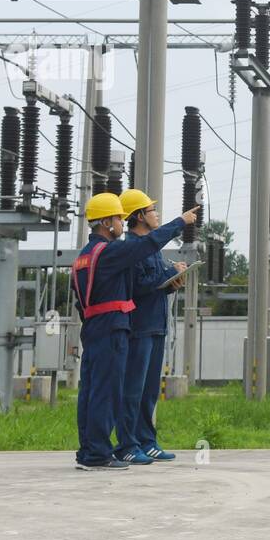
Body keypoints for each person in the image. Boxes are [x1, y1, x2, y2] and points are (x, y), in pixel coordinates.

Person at [72, 192, 198, 470]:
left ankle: (89, 452)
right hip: (111, 327)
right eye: (118, 218)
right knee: (107, 393)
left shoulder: (85, 256)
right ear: (107, 222)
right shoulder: (110, 252)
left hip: (95, 326)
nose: (122, 222)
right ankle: (99, 454)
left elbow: (81, 298)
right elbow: (147, 249)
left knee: (92, 392)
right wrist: (180, 221)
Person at [117, 188, 187, 463]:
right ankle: (128, 444)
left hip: (156, 325)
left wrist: (172, 283)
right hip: (139, 328)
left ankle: (147, 441)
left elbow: (154, 285)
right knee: (133, 390)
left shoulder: (152, 249)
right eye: (151, 210)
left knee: (148, 392)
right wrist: (170, 273)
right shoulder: (132, 248)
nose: (156, 214)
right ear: (138, 216)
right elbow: (139, 285)